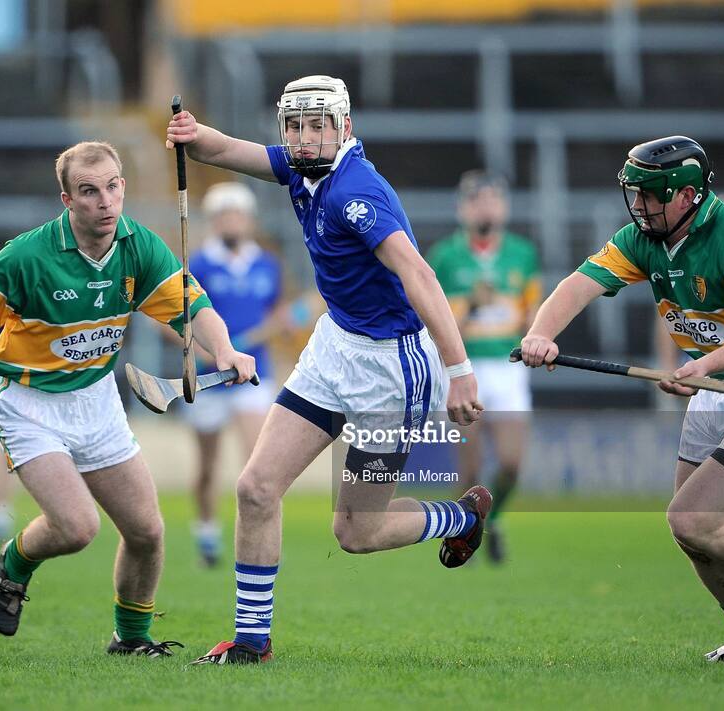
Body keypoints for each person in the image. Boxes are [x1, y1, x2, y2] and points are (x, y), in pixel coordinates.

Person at [166, 74, 486, 665]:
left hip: (394, 368)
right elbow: (223, 150)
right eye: (295, 125)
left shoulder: (354, 192)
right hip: (333, 347)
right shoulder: (298, 167)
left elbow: (420, 275)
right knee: (256, 489)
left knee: (355, 534)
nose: (305, 137)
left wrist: (459, 368)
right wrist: (191, 134)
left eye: (319, 125)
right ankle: (251, 642)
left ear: (345, 129)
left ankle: (459, 517)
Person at [0, 141, 256, 657]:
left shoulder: (139, 246)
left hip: (95, 398)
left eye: (113, 187)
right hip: (29, 403)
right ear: (67, 199)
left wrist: (225, 349)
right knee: (76, 527)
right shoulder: (26, 256)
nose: (105, 201)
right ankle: (14, 564)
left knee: (146, 531)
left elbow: (193, 307)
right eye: (89, 191)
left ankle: (131, 639)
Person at [518, 136, 724, 664]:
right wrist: (540, 333)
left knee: (693, 518)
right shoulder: (644, 238)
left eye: (649, 196)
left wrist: (700, 366)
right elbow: (578, 285)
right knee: (690, 532)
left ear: (686, 195)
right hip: (713, 386)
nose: (637, 206)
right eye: (632, 194)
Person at [427, 171, 541, 563]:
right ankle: (467, 534)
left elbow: (532, 315)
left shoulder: (523, 254)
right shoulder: (444, 256)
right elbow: (435, 323)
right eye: (477, 200)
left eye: (493, 199)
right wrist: (473, 304)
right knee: (471, 467)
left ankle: (495, 519)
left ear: (505, 207)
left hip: (508, 368)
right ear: (463, 208)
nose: (485, 207)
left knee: (511, 463)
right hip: (464, 368)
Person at [183, 182, 283, 566]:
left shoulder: (267, 264)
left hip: (253, 375)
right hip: (209, 381)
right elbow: (174, 316)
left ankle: (255, 538)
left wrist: (262, 333)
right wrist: (202, 348)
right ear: (213, 221)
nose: (232, 222)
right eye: (224, 215)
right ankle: (207, 532)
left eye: (238, 215)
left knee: (256, 462)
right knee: (208, 466)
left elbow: (277, 313)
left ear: (249, 220)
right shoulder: (199, 265)